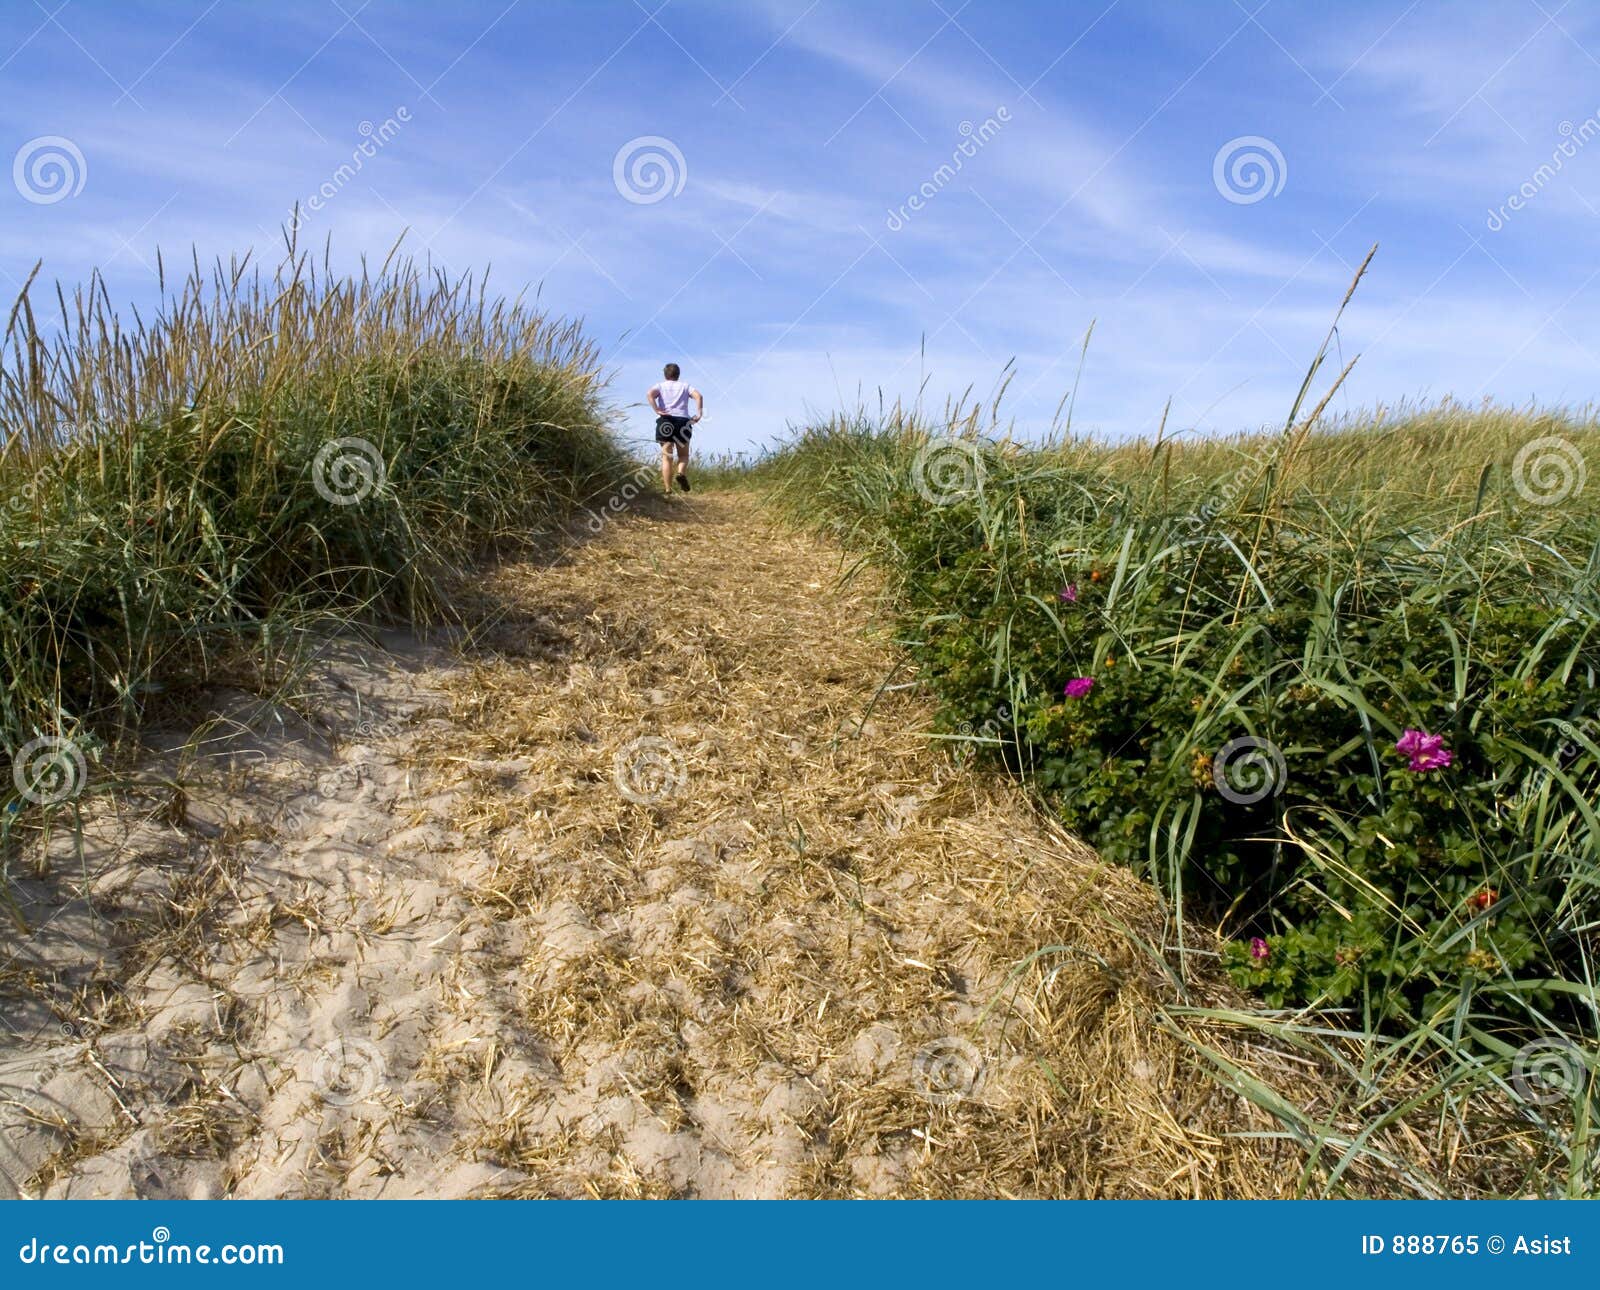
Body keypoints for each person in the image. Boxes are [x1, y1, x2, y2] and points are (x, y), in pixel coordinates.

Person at [647, 362, 703, 493]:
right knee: (683, 455)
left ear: (665, 374)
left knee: (667, 457)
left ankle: (668, 489)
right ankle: (681, 474)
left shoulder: (660, 386)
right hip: (683, 421)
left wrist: (657, 410)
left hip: (665, 420)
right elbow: (698, 396)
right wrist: (699, 414)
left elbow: (649, 394)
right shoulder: (685, 386)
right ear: (678, 374)